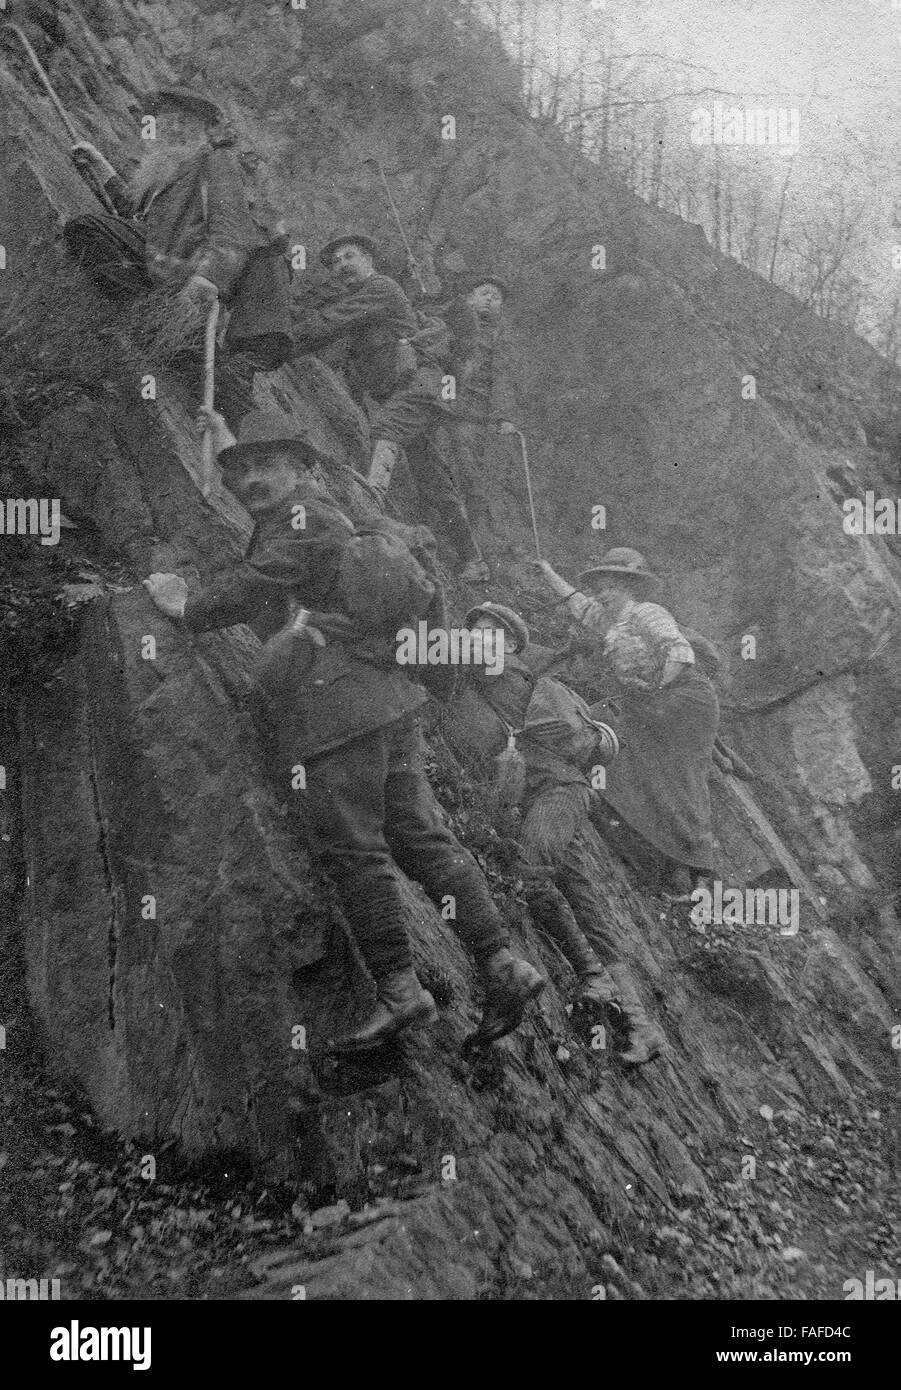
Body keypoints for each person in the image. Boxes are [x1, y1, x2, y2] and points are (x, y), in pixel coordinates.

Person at [143, 407, 544, 1053]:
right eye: (240, 471)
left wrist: (185, 606)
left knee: (354, 849)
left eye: (265, 466)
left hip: (334, 705)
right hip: (387, 699)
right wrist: (219, 430)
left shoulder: (304, 519)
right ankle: (503, 964)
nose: (250, 481)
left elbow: (260, 580)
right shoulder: (336, 514)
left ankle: (400, 992)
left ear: (303, 468)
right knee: (421, 839)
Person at [437, 601, 666, 1065]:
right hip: (536, 800)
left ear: (511, 646)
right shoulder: (466, 683)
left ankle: (594, 978)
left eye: (492, 634)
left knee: (529, 868)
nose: (481, 640)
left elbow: (574, 740)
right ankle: (643, 1028)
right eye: (476, 631)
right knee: (582, 900)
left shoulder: (521, 682)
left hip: (561, 791)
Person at [68, 86, 292, 420]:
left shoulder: (216, 162)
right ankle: (165, 330)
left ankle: (155, 321)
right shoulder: (165, 168)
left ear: (204, 129)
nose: (173, 127)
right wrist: (101, 166)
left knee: (86, 229)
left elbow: (232, 231)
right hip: (155, 262)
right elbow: (136, 218)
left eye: (186, 121)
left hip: (184, 272)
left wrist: (207, 278)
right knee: (88, 231)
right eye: (165, 120)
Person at [291, 233, 490, 582]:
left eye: (348, 257)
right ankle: (473, 558)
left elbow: (330, 322)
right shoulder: (360, 298)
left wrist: (280, 339)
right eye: (335, 263)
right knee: (431, 475)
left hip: (419, 386)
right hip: (405, 393)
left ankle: (372, 502)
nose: (342, 266)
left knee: (385, 429)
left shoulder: (381, 288)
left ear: (369, 259)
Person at [534, 548, 720, 898]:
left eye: (610, 587)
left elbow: (680, 653)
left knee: (682, 775)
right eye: (600, 587)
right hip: (651, 701)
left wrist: (657, 692)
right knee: (632, 757)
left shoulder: (647, 613)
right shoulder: (607, 618)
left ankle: (701, 875)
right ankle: (666, 859)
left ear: (629, 587)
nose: (602, 594)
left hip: (684, 700)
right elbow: (578, 604)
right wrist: (547, 572)